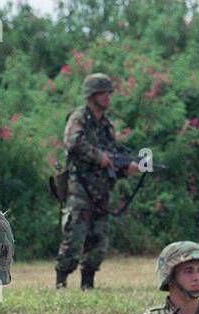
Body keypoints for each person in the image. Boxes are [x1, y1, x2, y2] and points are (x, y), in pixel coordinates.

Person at [55, 72, 139, 291]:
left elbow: (112, 155)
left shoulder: (106, 125)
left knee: (98, 240)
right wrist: (98, 156)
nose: (108, 97)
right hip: (80, 189)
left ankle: (88, 284)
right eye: (105, 93)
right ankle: (61, 282)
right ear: (93, 95)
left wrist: (125, 168)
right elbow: (73, 143)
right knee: (75, 237)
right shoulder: (80, 117)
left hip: (101, 192)